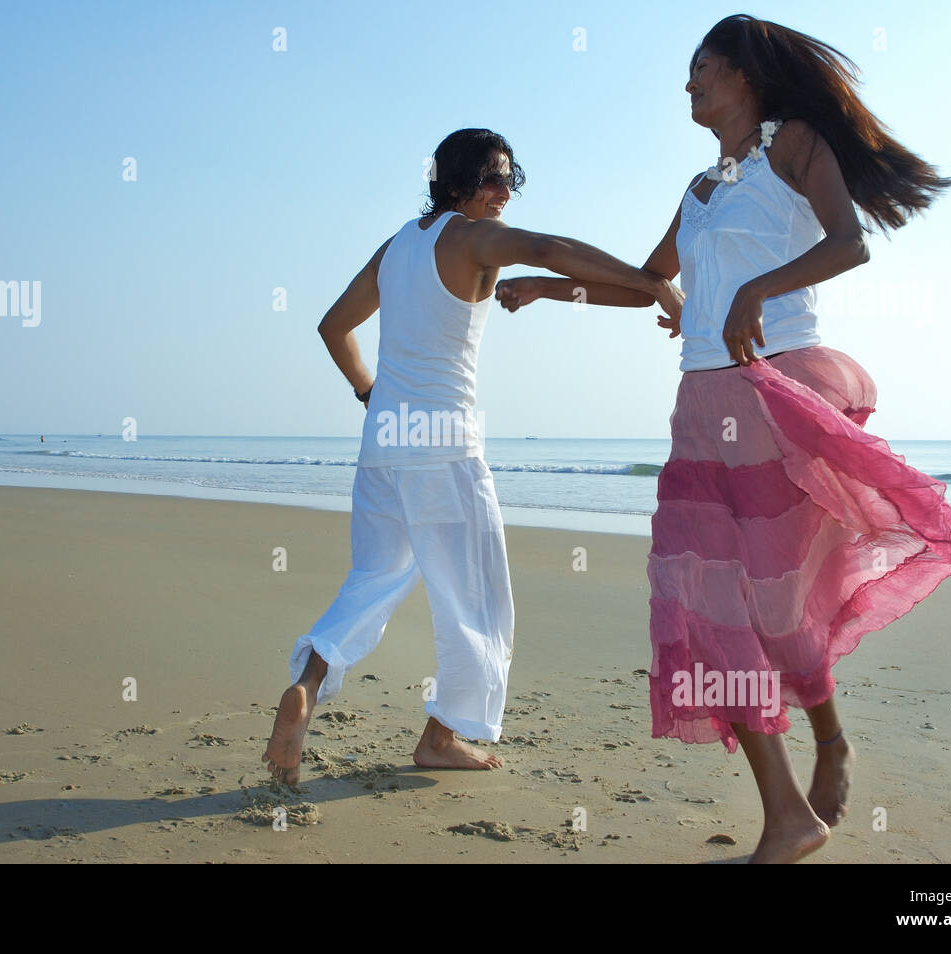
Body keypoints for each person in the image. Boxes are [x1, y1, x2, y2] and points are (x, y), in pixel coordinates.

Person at [496, 15, 951, 862]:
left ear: (743, 75)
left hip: (781, 388)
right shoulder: (697, 187)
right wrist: (551, 286)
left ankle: (828, 739)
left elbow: (850, 245)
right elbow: (652, 283)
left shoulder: (793, 146)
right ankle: (789, 813)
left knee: (770, 603)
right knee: (706, 605)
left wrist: (755, 291)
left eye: (700, 68)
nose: (687, 83)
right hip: (702, 408)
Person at [262, 128, 677, 787]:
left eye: (513, 179)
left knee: (371, 580)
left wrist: (370, 392)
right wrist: (653, 285)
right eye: (493, 178)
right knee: (476, 603)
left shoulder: (398, 245)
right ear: (456, 181)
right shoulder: (471, 237)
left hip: (384, 447)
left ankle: (309, 685)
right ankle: (440, 737)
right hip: (444, 448)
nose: (505, 192)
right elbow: (550, 248)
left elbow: (333, 327)